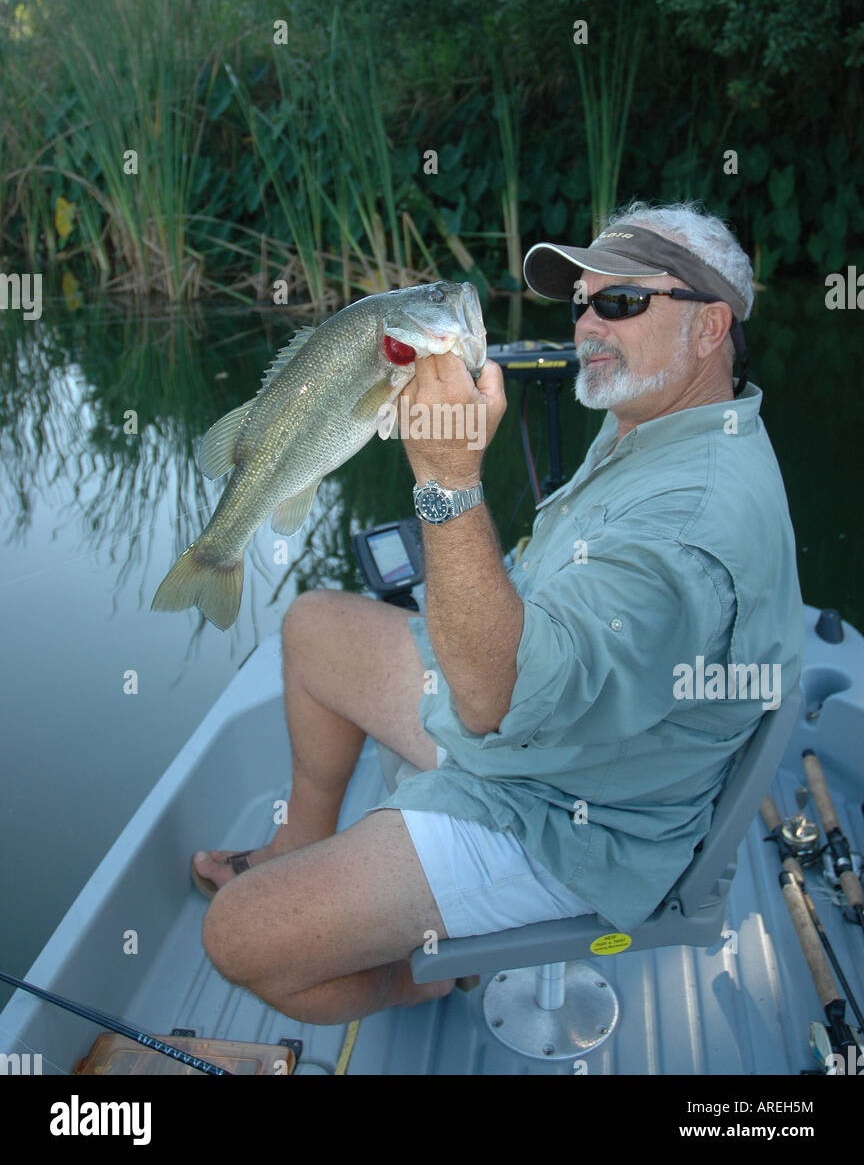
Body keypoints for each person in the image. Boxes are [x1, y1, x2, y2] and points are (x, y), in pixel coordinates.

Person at [196, 200, 804, 1026]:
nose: (588, 325)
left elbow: (493, 706)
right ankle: (298, 844)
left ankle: (421, 977)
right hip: (541, 719)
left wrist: (446, 481)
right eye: (583, 301)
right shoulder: (662, 421)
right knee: (311, 627)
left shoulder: (689, 527)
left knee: (239, 937)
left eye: (621, 303)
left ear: (710, 328)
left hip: (566, 814)